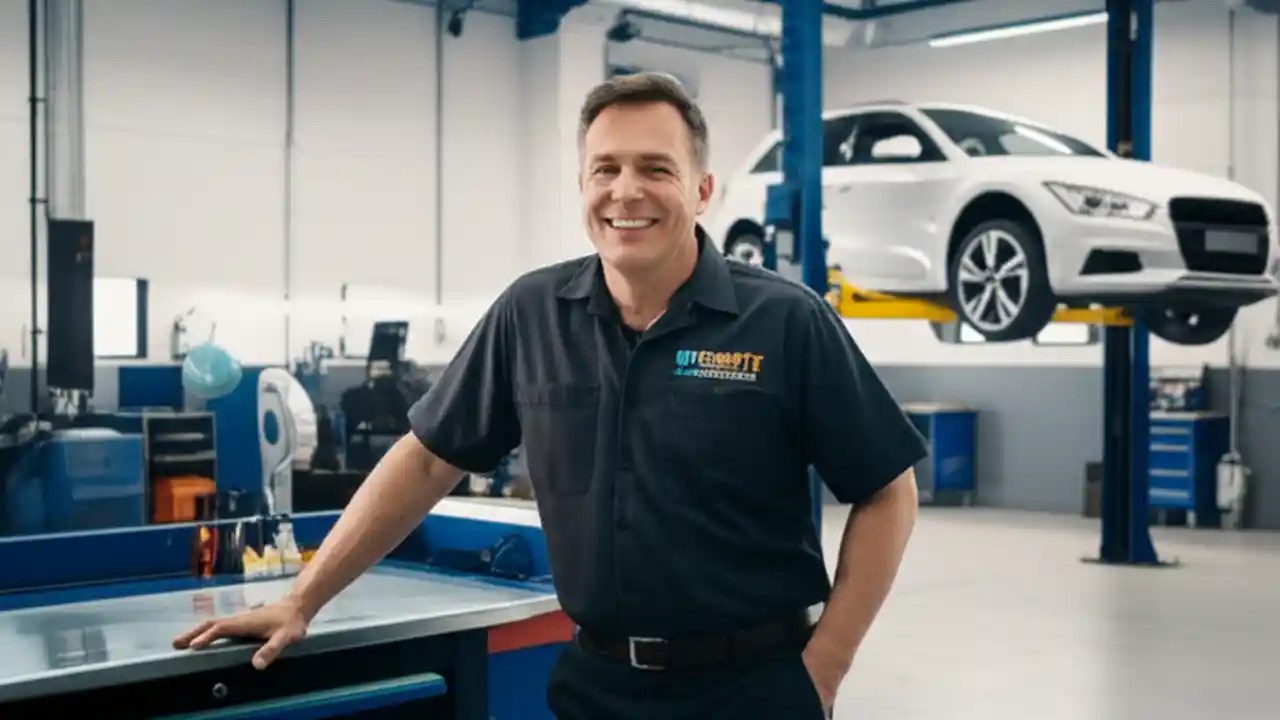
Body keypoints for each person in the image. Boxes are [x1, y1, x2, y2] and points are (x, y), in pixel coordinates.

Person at [173, 71, 925, 719]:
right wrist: (302, 599)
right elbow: (427, 460)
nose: (626, 191)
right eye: (605, 169)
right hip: (595, 687)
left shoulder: (785, 321)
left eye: (655, 169)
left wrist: (825, 665)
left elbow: (888, 490)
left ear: (701, 190)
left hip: (752, 688)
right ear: (582, 186)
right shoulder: (531, 315)